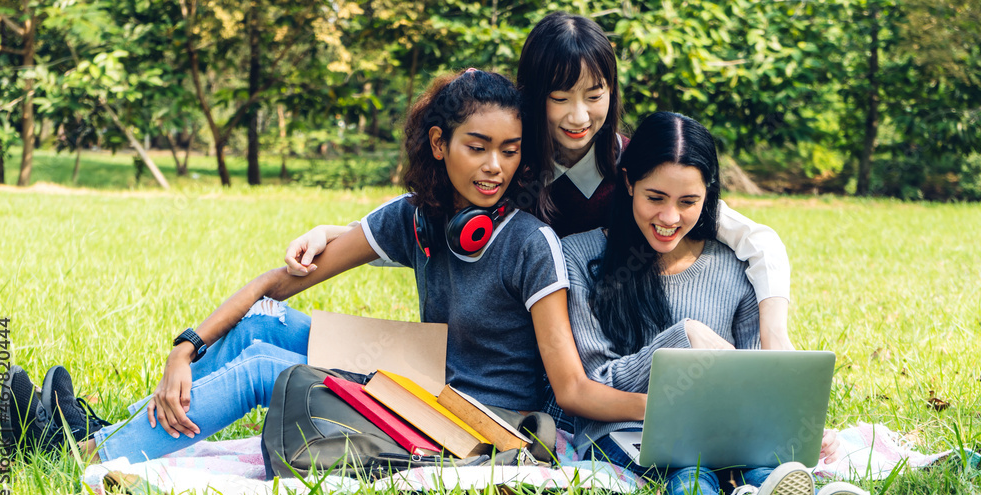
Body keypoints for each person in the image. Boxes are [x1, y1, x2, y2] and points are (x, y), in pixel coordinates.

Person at [4, 69, 646, 466]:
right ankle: (101, 430)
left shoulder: (532, 243)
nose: (493, 168)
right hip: (426, 374)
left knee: (262, 370)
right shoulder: (418, 214)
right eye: (477, 148)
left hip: (474, 421)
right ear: (438, 143)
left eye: (509, 152)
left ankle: (82, 454)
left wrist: (660, 408)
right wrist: (186, 345)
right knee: (265, 326)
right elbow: (280, 282)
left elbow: (568, 390)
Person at [284, 13, 793, 377]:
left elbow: (755, 240)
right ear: (532, 97)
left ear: (611, 94)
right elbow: (440, 222)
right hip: (504, 361)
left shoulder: (639, 167)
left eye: (594, 96)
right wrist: (340, 233)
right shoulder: (507, 165)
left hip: (605, 354)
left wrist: (774, 336)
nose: (578, 117)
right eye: (559, 98)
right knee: (289, 341)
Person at [564, 111, 887, 495]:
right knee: (687, 472)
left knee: (769, 470)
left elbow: (757, 374)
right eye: (655, 197)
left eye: (688, 202)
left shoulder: (734, 266)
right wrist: (683, 339)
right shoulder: (580, 257)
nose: (669, 217)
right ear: (628, 184)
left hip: (727, 430)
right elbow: (593, 382)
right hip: (623, 433)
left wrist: (799, 427)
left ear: (708, 196)